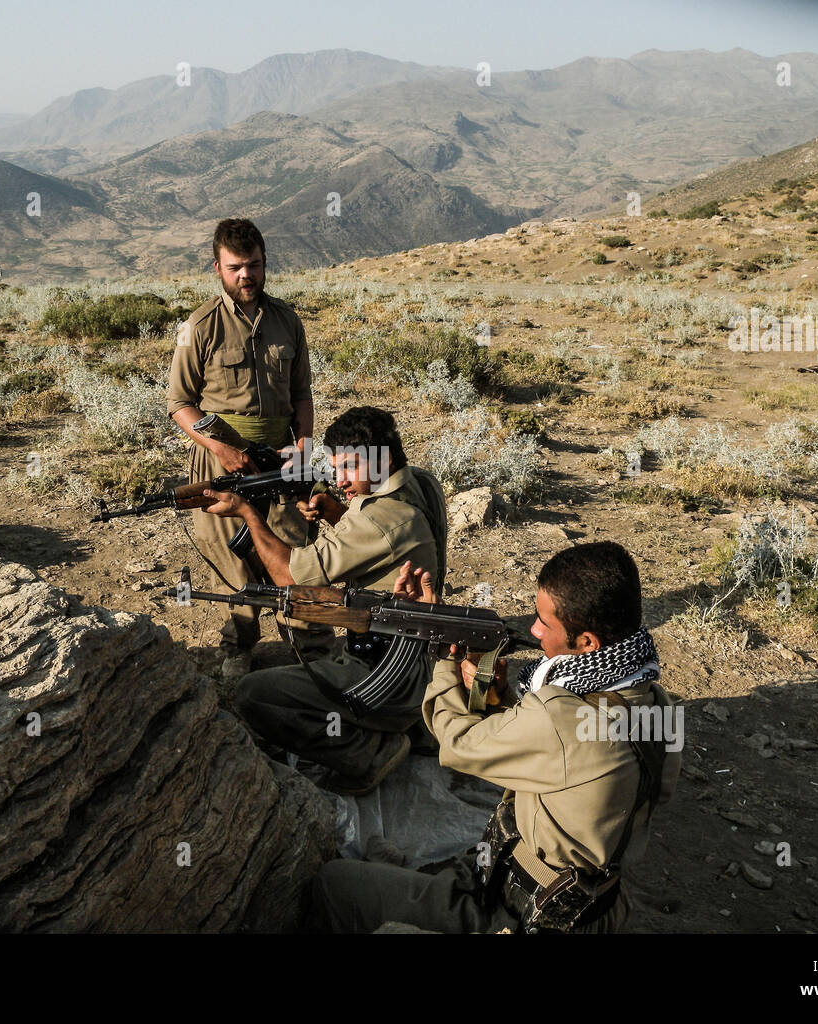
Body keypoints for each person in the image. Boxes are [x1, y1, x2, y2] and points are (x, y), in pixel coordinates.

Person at [309, 541, 682, 933]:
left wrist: (445, 658)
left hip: (521, 911)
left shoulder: (559, 714)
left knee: (336, 886)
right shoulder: (660, 704)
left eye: (545, 622)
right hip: (599, 905)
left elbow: (457, 744)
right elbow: (585, 763)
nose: (534, 631)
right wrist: (499, 699)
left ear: (588, 643)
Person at [200, 406, 447, 795]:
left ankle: (369, 752)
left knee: (254, 694)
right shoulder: (420, 483)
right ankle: (408, 727)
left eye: (349, 468)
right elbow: (378, 542)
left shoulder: (378, 520)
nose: (339, 479)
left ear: (379, 461)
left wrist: (248, 513)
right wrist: (335, 510)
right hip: (428, 666)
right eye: (336, 468)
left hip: (387, 676)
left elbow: (291, 578)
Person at [166, 217, 329, 679]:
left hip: (278, 458)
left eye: (254, 265)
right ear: (216, 267)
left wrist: (303, 447)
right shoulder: (198, 327)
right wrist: (219, 448)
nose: (246, 276)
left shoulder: (287, 321)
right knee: (233, 552)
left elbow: (301, 394)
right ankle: (239, 643)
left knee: (294, 547)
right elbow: (180, 403)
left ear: (265, 263)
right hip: (222, 457)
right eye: (235, 267)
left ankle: (311, 646)